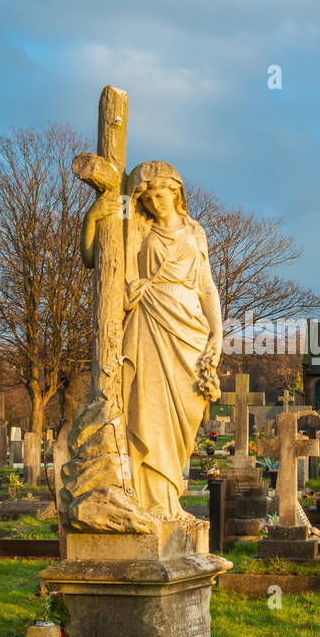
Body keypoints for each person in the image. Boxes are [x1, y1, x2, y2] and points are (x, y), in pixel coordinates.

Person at [120, 161, 223, 518]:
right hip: (149, 318)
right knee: (148, 410)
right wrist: (107, 205)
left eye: (160, 195)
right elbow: (99, 254)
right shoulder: (137, 230)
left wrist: (217, 334)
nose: (154, 203)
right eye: (146, 199)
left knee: (187, 412)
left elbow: (207, 286)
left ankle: (169, 497)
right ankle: (153, 501)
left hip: (190, 325)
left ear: (176, 191)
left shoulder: (196, 231)